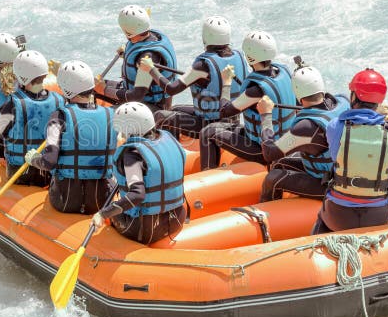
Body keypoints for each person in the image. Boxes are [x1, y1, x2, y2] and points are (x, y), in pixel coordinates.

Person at [311, 68, 388, 234]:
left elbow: (336, 156)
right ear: (380, 100)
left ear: (353, 96)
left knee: (321, 219)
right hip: (377, 216)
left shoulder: (335, 127)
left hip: (338, 215)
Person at [24, 60, 116, 214]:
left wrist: (33, 159)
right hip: (101, 201)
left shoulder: (58, 117)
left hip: (65, 201)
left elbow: (49, 162)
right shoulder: (111, 115)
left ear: (65, 90)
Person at [91, 102, 187, 245]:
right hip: (178, 218)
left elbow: (137, 195)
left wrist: (102, 214)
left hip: (146, 230)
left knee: (109, 209)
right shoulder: (169, 138)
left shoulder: (132, 155)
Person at [140, 15, 249, 139]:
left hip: (211, 125)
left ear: (205, 37)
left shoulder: (202, 65)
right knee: (175, 108)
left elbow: (171, 89)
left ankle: (169, 148)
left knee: (160, 115)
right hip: (233, 121)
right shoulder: (239, 57)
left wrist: (151, 69)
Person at [199, 31, 296, 169]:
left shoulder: (256, 90)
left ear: (250, 57)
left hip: (262, 149)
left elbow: (224, 111)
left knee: (207, 133)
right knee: (216, 128)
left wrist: (226, 82)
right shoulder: (285, 72)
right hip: (286, 142)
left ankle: (207, 177)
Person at [0, 50, 64, 186]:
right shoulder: (60, 101)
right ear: (45, 74)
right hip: (48, 176)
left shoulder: (13, 105)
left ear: (20, 77)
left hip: (20, 176)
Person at [258, 60, 349, 202]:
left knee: (273, 178)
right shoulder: (343, 101)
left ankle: (265, 218)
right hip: (342, 176)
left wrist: (265, 115)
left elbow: (269, 153)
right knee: (280, 163)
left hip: (331, 185)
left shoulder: (306, 127)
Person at [94, 5, 178, 112]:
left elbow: (136, 96)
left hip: (152, 106)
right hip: (136, 93)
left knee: (100, 93)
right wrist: (127, 52)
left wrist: (104, 90)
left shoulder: (147, 58)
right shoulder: (152, 35)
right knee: (90, 85)